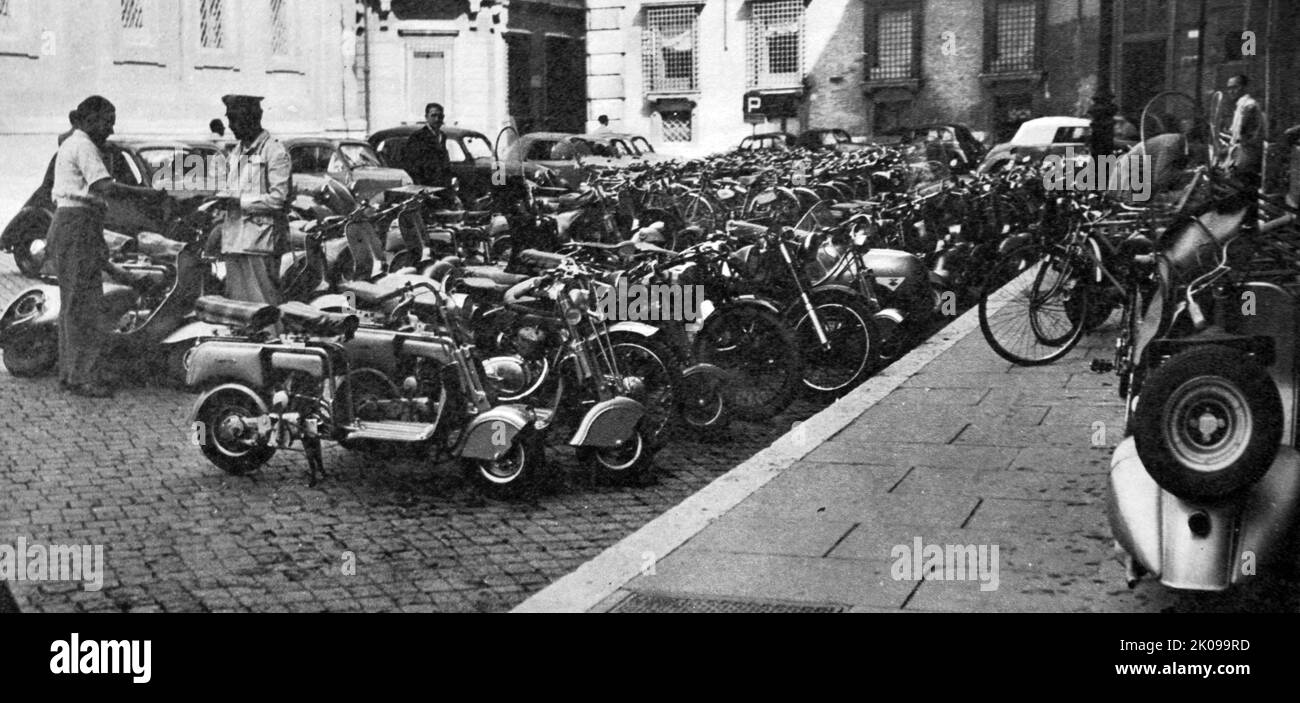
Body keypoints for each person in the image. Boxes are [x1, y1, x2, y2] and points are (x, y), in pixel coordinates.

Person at [48, 96, 170, 397]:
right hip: (76, 223)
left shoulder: (72, 144)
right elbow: (103, 187)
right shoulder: (84, 145)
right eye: (108, 121)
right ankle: (83, 378)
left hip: (74, 223)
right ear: (90, 120)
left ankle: (71, 372)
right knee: (85, 308)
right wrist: (147, 194)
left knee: (74, 305)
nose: (111, 129)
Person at [219, 94, 291, 305]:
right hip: (234, 241)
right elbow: (232, 188)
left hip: (260, 243)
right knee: (239, 309)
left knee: (264, 305)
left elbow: (278, 200)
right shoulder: (236, 152)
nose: (230, 126)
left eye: (235, 119)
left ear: (252, 119)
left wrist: (239, 202)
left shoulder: (274, 151)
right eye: (229, 119)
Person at [401, 102, 453, 189]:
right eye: (433, 115)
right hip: (425, 185)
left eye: (440, 116)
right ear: (426, 117)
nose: (437, 119)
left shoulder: (442, 136)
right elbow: (412, 164)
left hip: (441, 185)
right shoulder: (418, 136)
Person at [1224, 74, 1264, 189]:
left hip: (1246, 155)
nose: (1231, 91)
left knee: (1242, 189)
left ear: (1245, 87)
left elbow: (1243, 133)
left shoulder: (1248, 106)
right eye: (1229, 88)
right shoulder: (1241, 105)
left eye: (1235, 87)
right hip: (1241, 153)